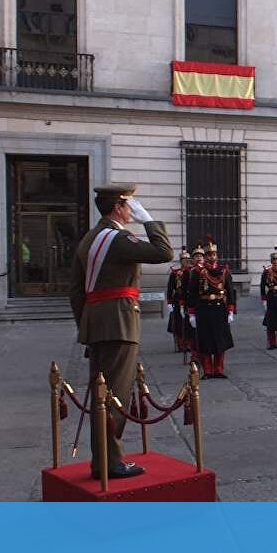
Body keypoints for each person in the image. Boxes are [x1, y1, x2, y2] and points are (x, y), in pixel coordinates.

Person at [69, 184, 173, 480]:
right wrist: (149, 220)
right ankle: (111, 462)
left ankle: (102, 459)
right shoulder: (117, 239)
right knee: (116, 396)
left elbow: (76, 292)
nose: (132, 211)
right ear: (118, 207)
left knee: (102, 395)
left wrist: (87, 326)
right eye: (130, 206)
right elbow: (164, 252)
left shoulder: (90, 239)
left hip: (98, 324)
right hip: (120, 324)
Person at [187, 238, 235, 378]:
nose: (211, 257)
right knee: (206, 340)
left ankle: (219, 369)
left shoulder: (224, 271)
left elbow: (230, 291)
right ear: (205, 257)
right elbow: (192, 293)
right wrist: (191, 314)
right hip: (204, 308)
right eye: (208, 255)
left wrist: (231, 310)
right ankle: (207, 370)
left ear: (217, 256)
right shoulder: (197, 272)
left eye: (213, 255)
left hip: (220, 309)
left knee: (220, 340)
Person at [259, 248, 277, 350]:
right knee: (271, 321)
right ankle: (271, 343)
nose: (275, 262)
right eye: (274, 260)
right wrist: (264, 299)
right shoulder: (267, 271)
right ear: (271, 261)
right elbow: (262, 285)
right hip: (271, 297)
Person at [165, 247, 192, 352]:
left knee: (189, 323)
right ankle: (181, 344)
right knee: (178, 323)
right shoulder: (175, 273)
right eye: (183, 260)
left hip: (188, 300)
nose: (185, 262)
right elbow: (170, 288)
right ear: (180, 261)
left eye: (187, 260)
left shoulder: (192, 272)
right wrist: (169, 303)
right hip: (177, 301)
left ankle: (189, 344)